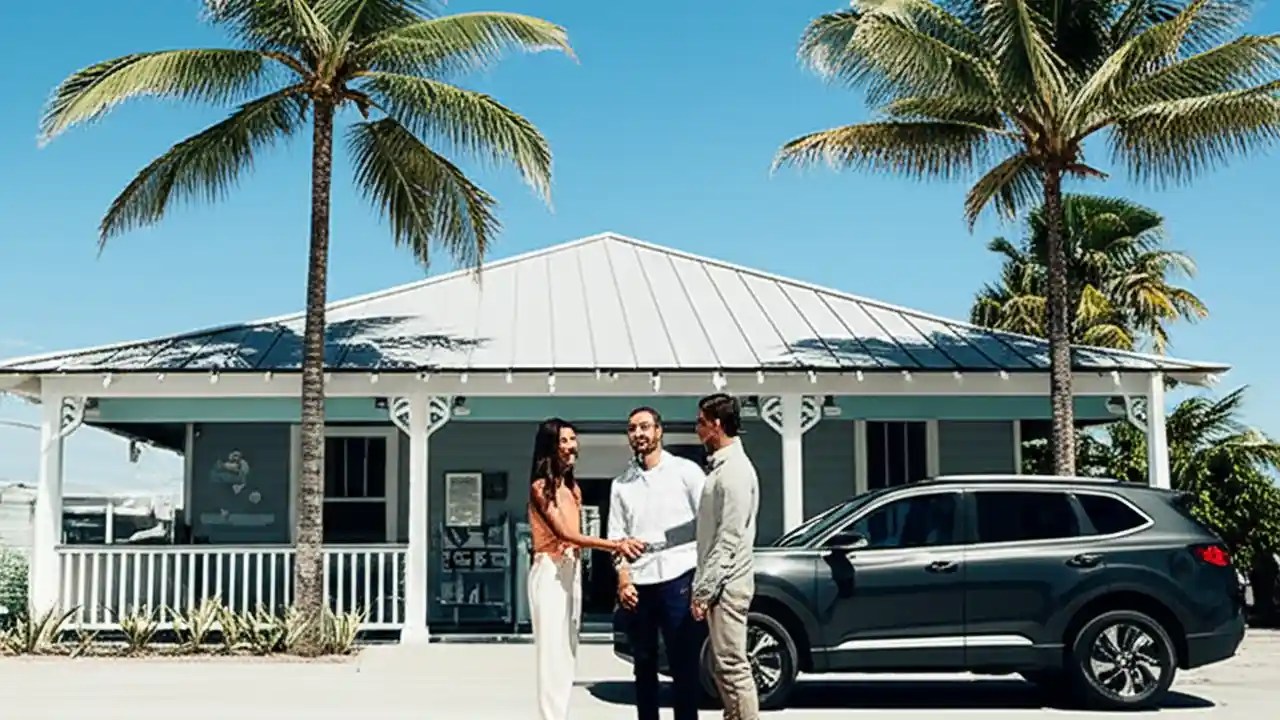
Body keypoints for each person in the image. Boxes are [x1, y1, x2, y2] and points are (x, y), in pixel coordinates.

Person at [527, 417, 645, 720]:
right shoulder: (541, 488)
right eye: (563, 441)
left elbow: (575, 539)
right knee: (551, 653)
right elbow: (564, 533)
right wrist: (615, 545)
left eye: (572, 440)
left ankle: (560, 713)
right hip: (549, 571)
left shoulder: (573, 488)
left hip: (571, 570)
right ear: (550, 447)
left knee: (567, 651)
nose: (570, 446)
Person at [608, 407, 706, 720]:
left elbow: (709, 524)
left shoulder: (686, 472)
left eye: (645, 427)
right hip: (640, 581)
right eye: (632, 428)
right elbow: (616, 539)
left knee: (683, 665)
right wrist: (624, 579)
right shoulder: (621, 485)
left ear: (659, 431)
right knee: (644, 664)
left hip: (680, 575)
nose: (638, 433)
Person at [691, 394, 760, 720]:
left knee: (733, 665)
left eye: (701, 422)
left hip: (728, 585)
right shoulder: (722, 467)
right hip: (720, 583)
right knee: (723, 667)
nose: (697, 429)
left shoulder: (734, 472)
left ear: (716, 425)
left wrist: (705, 590)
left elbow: (728, 538)